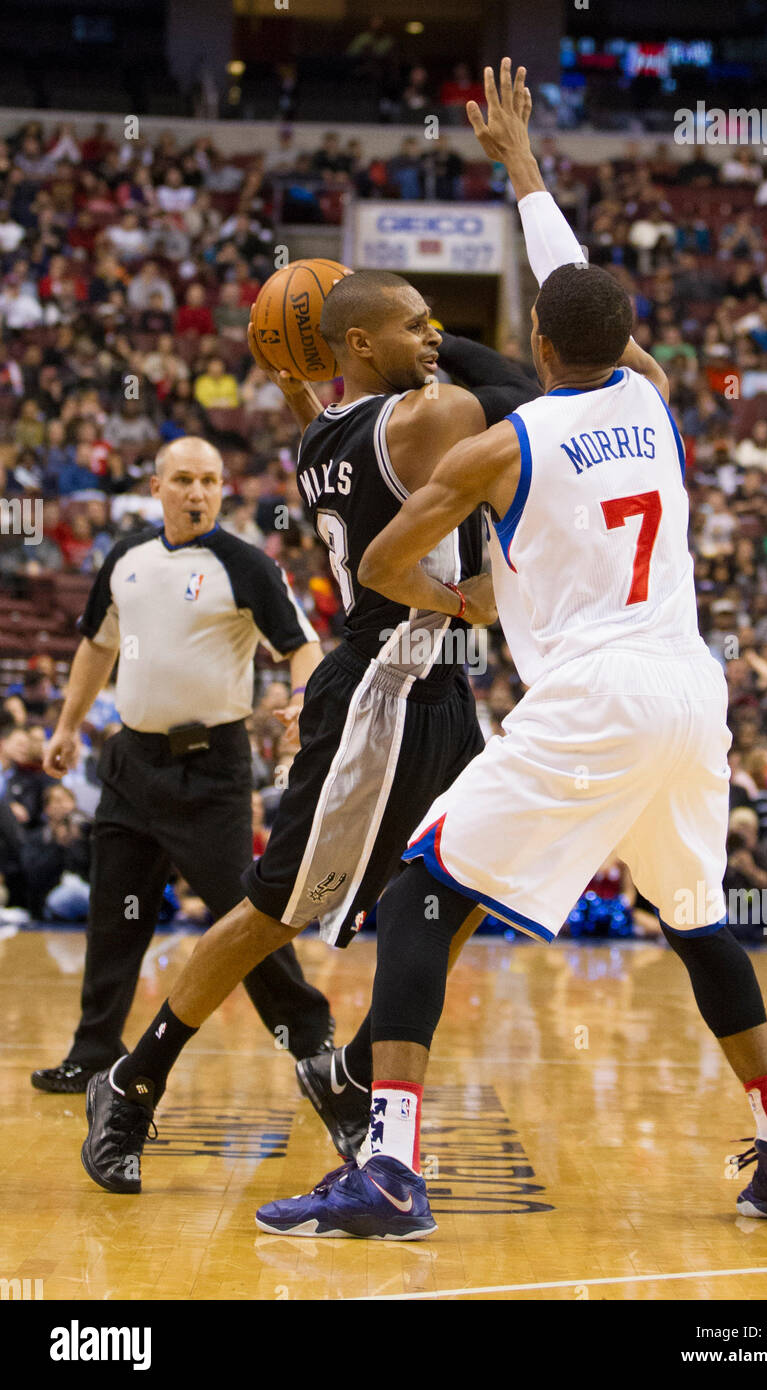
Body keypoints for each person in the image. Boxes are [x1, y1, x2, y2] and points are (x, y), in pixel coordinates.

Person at [254, 60, 767, 1240]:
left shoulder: (499, 449)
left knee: (419, 899)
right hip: (689, 690)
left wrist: (466, 602)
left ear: (532, 336)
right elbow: (575, 290)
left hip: (595, 696)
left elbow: (371, 568)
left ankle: (389, 1170)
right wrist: (522, 169)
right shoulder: (660, 394)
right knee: (697, 920)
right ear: (621, 342)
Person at [78, 209, 670, 1191]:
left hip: (444, 688)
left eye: (437, 322)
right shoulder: (429, 417)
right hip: (379, 695)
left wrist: (375, 321)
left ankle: (352, 1068)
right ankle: (131, 1084)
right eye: (414, 323)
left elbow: (422, 379)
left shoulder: (327, 429)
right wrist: (446, 328)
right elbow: (533, 387)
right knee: (273, 913)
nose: (436, 336)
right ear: (355, 344)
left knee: (464, 885)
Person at [31, 436, 332, 1093]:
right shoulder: (127, 557)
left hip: (210, 767)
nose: (198, 492)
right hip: (130, 763)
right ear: (158, 488)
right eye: (185, 480)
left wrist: (308, 700)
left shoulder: (246, 565)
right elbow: (95, 646)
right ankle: (92, 1052)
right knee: (115, 913)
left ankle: (313, 1043)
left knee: (238, 918)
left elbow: (302, 647)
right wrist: (64, 725)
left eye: (210, 481)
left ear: (223, 489)